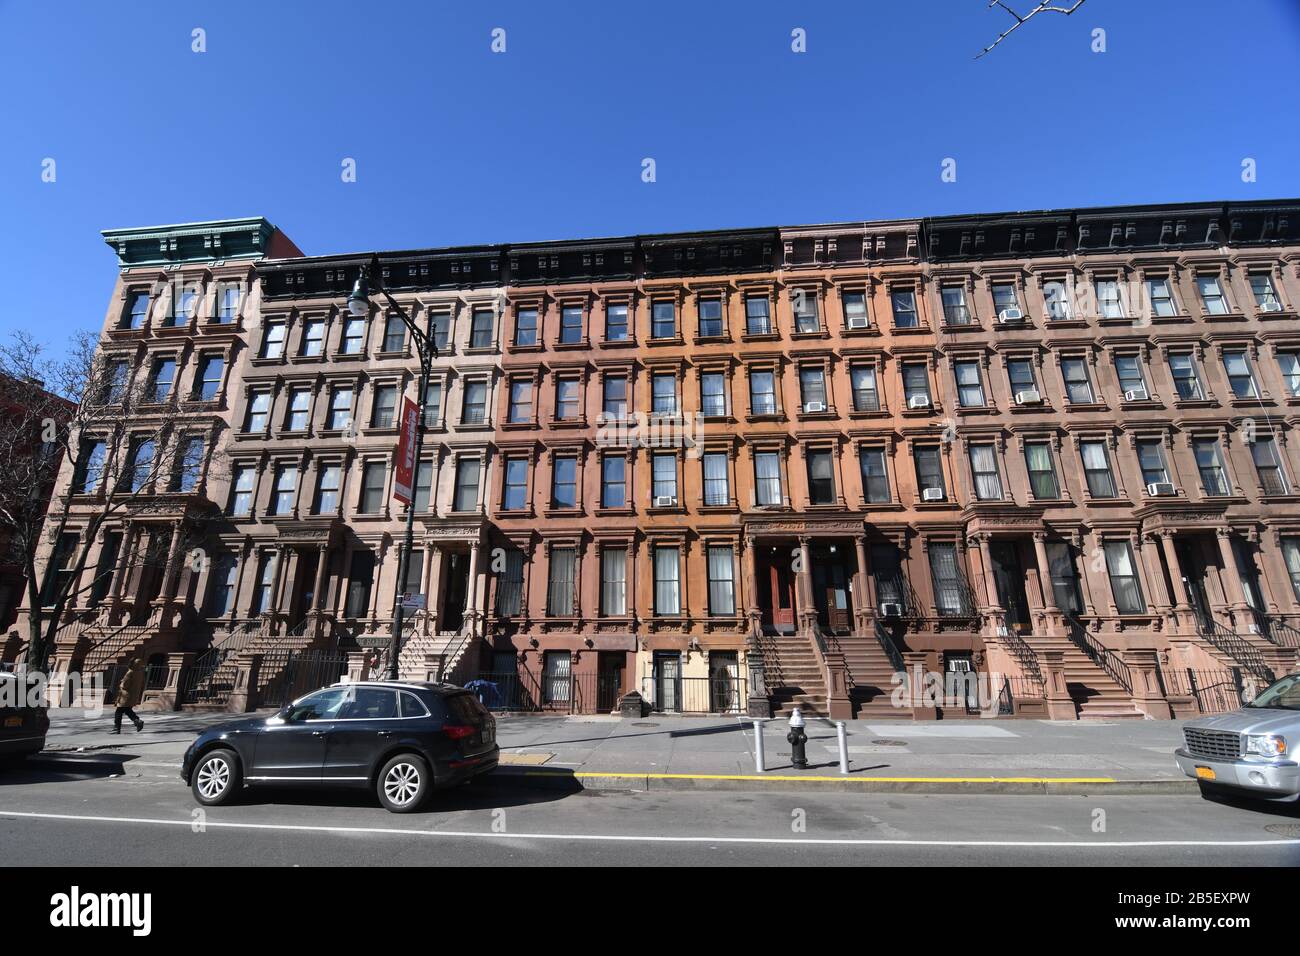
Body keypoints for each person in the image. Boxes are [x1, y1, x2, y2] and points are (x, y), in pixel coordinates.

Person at [112, 658, 146, 734]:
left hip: (126, 695)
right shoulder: (140, 673)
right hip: (134, 695)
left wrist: (121, 683)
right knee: (128, 710)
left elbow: (125, 685)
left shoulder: (130, 672)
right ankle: (137, 721)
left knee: (119, 711)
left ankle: (116, 728)